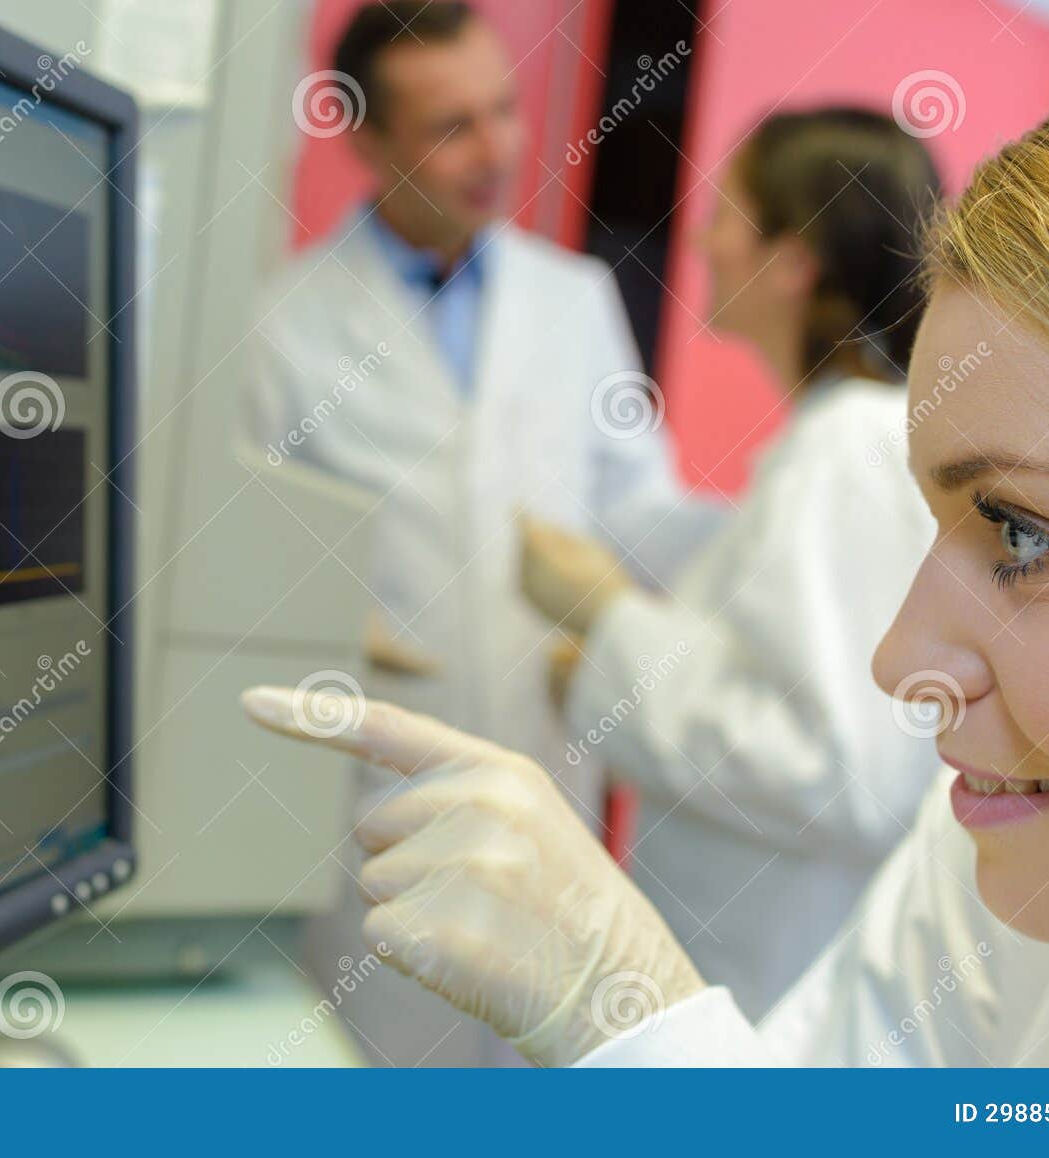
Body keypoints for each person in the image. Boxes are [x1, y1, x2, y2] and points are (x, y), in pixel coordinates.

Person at [241, 13, 1049, 1066]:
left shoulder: (610, 325)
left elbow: (669, 556)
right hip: (394, 783)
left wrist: (607, 628)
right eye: (446, 125)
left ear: (793, 258)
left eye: (1022, 535)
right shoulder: (1013, 905)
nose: (900, 659)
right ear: (365, 138)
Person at [238, 1, 720, 1065]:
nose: (496, 150)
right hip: (373, 794)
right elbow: (244, 558)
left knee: (530, 1069)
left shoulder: (574, 300)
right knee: (379, 1076)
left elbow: (637, 509)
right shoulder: (281, 325)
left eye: (502, 110)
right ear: (366, 138)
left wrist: (756, 537)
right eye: (450, 127)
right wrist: (323, 622)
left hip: (545, 768)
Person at [517, 109, 945, 1018]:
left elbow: (843, 773)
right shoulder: (834, 444)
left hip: (776, 989)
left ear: (793, 260)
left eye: (726, 214)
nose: (702, 239)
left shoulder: (848, 451)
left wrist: (608, 633)